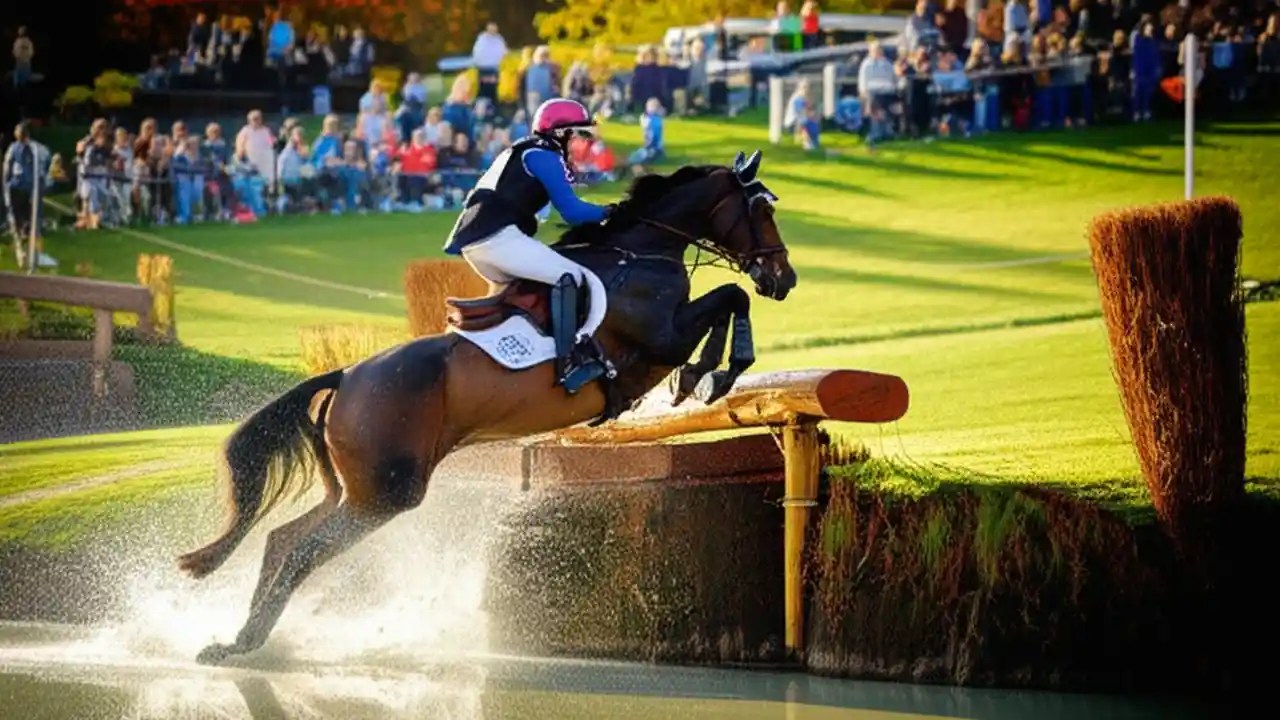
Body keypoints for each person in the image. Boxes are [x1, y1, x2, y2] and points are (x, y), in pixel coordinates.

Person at [443, 98, 617, 394]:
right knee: (572, 278)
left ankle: (524, 357)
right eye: (579, 134)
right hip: (497, 238)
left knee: (533, 289)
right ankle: (569, 362)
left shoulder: (526, 150)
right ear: (560, 134)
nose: (583, 143)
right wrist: (612, 211)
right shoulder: (544, 156)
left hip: (480, 243)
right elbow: (572, 212)